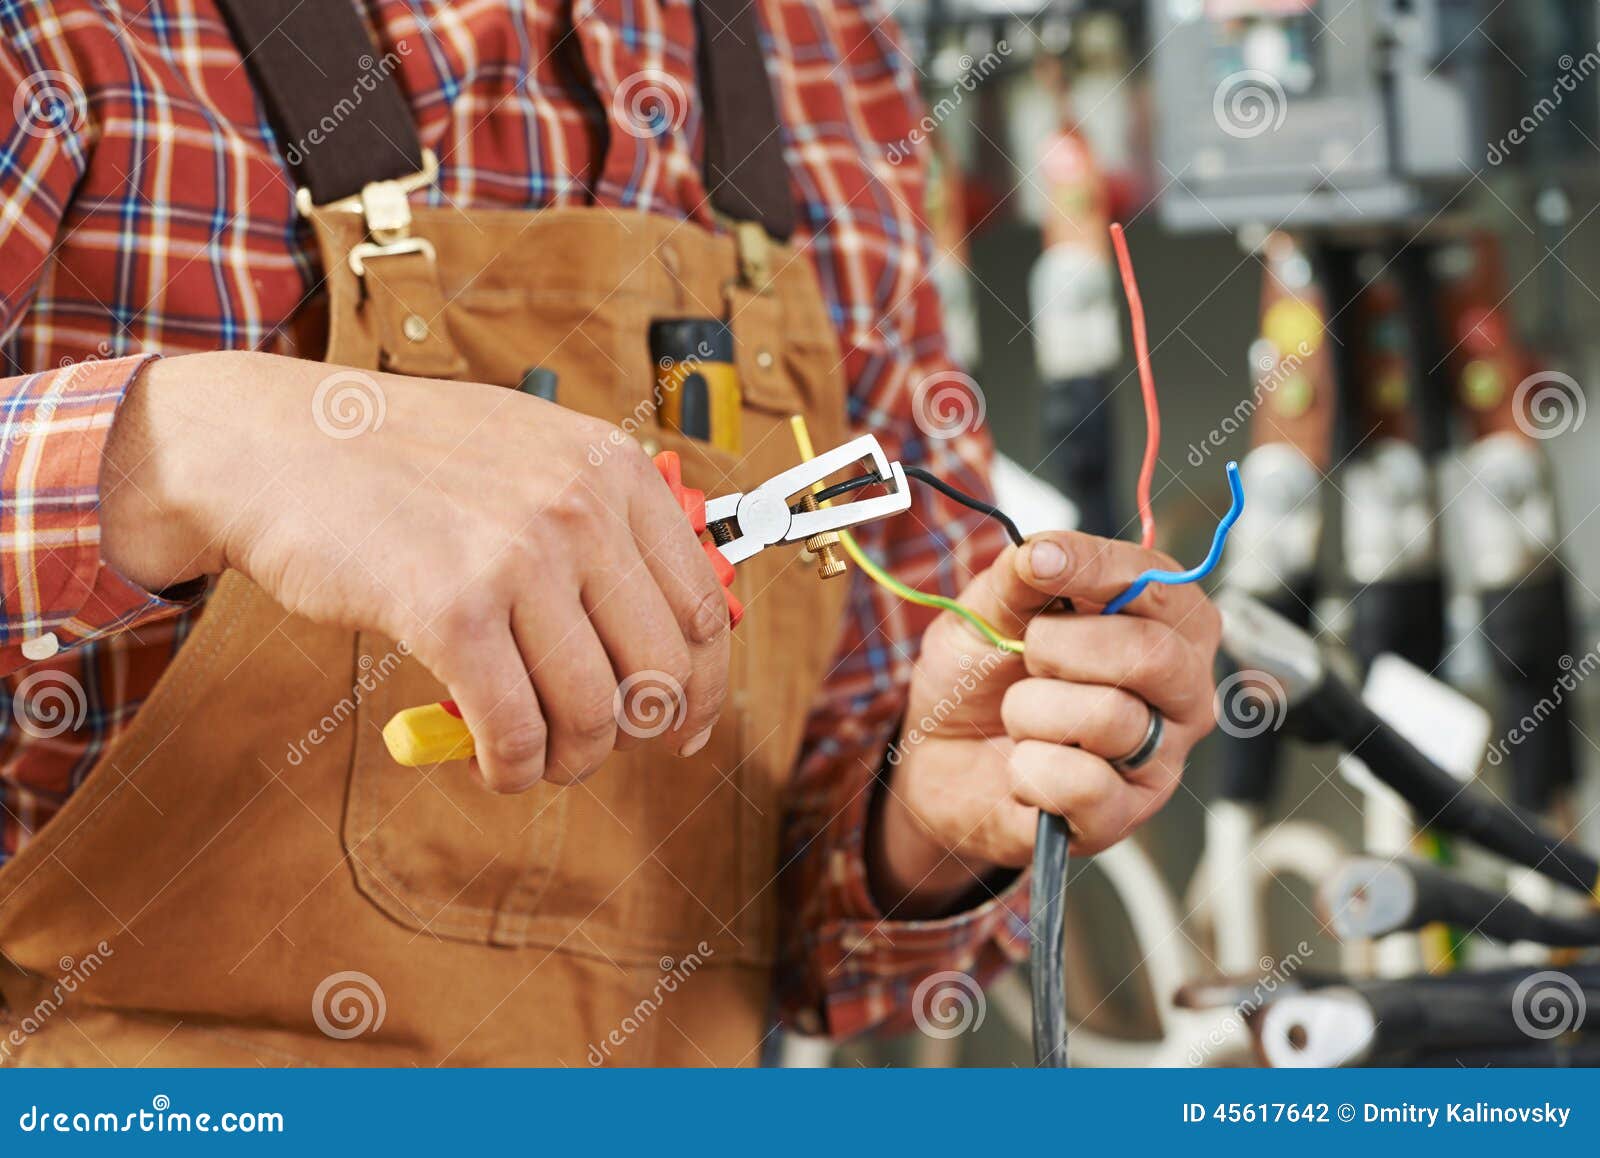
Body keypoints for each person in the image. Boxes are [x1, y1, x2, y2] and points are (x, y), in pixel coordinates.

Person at [0, 0, 1219, 1066]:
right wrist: (189, 451)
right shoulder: (67, 28)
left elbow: (829, 934)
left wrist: (932, 819)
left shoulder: (819, 49)